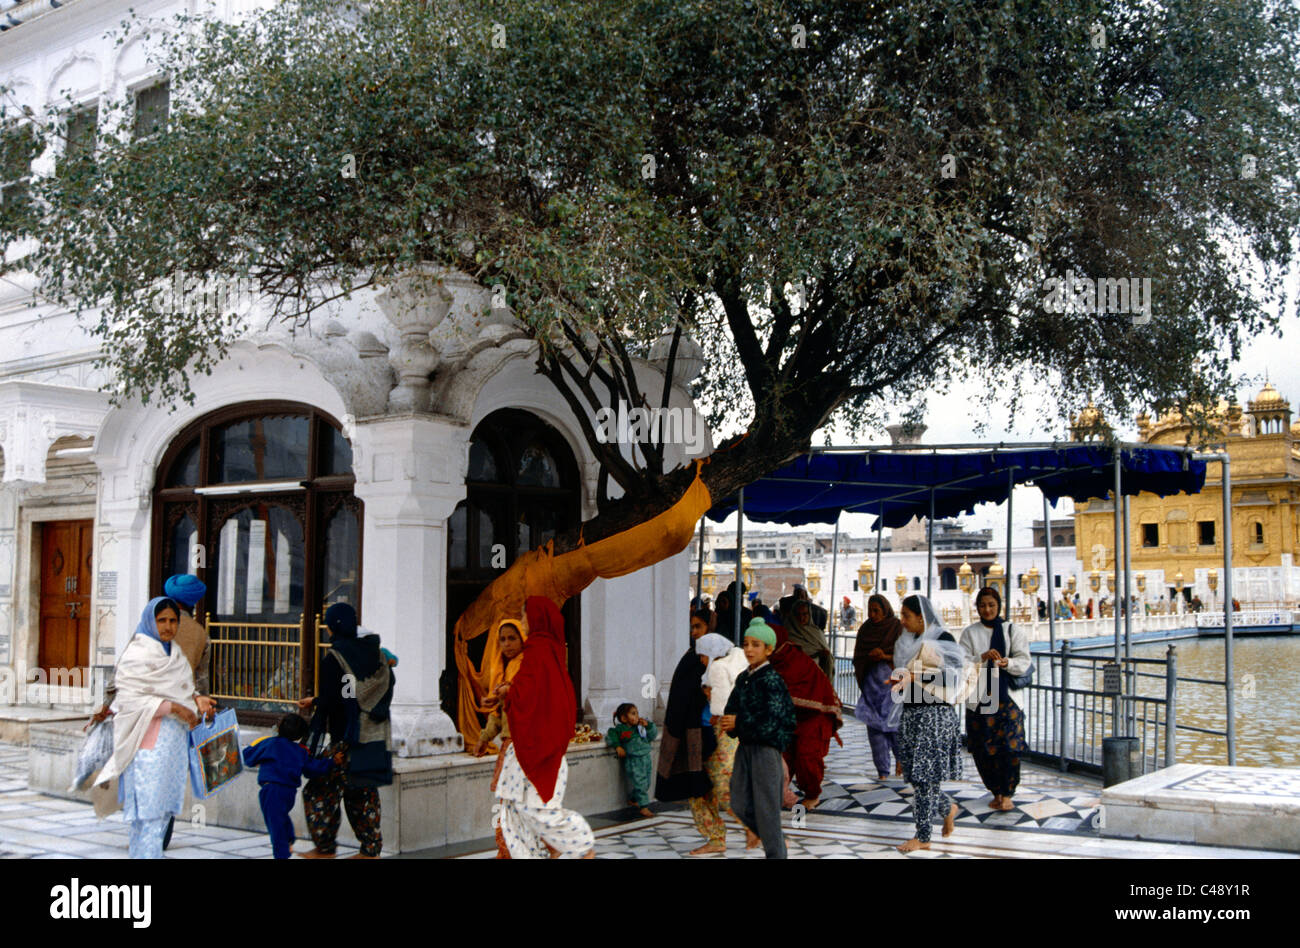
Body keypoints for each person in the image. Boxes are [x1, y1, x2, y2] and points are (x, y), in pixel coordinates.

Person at [91, 574, 216, 850]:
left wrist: (106, 704)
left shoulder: (148, 629)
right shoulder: (200, 634)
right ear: (194, 602)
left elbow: (122, 671)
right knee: (168, 777)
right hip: (177, 716)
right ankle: (158, 836)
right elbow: (202, 681)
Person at [496, 596, 595, 858]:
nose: (523, 621)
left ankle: (581, 845)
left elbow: (527, 697)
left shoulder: (538, 650)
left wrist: (509, 692)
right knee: (517, 808)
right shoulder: (550, 649)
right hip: (536, 742)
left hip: (534, 745)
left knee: (532, 808)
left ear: (538, 618)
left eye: (525, 615)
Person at [298, 602, 394, 859]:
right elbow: (353, 694)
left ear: (331, 626)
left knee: (319, 790)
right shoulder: (375, 654)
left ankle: (325, 847)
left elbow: (338, 698)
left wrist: (317, 704)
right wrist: (320, 700)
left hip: (346, 737)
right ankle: (370, 850)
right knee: (361, 790)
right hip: (372, 736)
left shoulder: (335, 658)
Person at [889, 594, 973, 854]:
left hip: (934, 716)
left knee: (926, 777)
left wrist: (917, 675)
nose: (902, 621)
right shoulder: (907, 642)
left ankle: (923, 835)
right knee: (915, 775)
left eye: (906, 616)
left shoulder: (943, 639)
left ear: (920, 616)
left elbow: (955, 677)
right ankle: (948, 808)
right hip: (912, 713)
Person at [722, 618, 796, 859]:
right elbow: (731, 708)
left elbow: (774, 721)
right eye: (746, 644)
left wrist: (739, 723)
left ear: (768, 649)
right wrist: (729, 723)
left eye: (756, 644)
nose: (749, 649)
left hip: (766, 751)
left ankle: (776, 852)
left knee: (767, 812)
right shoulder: (744, 678)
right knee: (739, 803)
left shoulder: (772, 681)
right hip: (745, 749)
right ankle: (771, 836)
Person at [959, 586, 1030, 812]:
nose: (987, 609)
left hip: (1007, 699)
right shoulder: (970, 633)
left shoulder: (1012, 631)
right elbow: (960, 664)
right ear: (977, 608)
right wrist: (982, 658)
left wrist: (1006, 662)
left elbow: (1024, 661)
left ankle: (1008, 792)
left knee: (1010, 747)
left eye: (991, 605)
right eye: (982, 605)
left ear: (999, 605)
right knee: (983, 748)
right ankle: (995, 791)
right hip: (979, 698)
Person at [242, 713, 338, 858]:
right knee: (280, 817)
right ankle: (289, 839)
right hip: (289, 792)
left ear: (279, 728)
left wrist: (251, 746)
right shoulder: (300, 751)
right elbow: (313, 768)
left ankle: (282, 852)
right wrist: (332, 762)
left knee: (275, 825)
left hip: (271, 790)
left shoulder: (269, 743)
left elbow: (247, 757)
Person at [688, 631, 747, 856]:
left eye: (703, 655)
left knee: (724, 788)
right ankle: (715, 837)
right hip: (702, 736)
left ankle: (761, 830)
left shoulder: (727, 673)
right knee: (698, 791)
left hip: (724, 735)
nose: (701, 660)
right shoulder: (706, 674)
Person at [655, 609, 716, 803]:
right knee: (700, 799)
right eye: (692, 627)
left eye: (699, 627)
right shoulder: (694, 654)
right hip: (691, 723)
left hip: (710, 727)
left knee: (715, 790)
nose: (694, 632)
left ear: (711, 626)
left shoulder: (714, 656)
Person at [852, 594, 904, 779]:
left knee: (896, 726)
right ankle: (882, 771)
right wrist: (869, 658)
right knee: (875, 731)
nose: (873, 615)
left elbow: (905, 656)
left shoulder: (896, 627)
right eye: (870, 611)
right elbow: (858, 656)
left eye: (877, 610)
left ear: (885, 610)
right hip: (872, 687)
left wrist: (884, 656)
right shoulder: (866, 629)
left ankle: (901, 761)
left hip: (893, 686)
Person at [472, 617, 527, 757]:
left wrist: (509, 690)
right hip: (511, 742)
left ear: (522, 638)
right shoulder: (506, 670)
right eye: (502, 640)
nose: (507, 644)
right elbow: (499, 713)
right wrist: (484, 739)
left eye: (512, 638)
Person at [605, 703, 657, 817]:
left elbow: (653, 736)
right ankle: (644, 806)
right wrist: (617, 746)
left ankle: (633, 799)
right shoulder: (620, 729)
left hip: (646, 757)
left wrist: (648, 726)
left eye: (637, 713)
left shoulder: (640, 727)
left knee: (646, 783)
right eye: (633, 714)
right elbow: (610, 736)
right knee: (641, 783)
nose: (637, 716)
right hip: (634, 760)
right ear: (624, 718)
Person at [785, 598, 834, 680]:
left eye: (804, 614)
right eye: (798, 614)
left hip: (817, 676)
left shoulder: (817, 632)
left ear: (809, 614)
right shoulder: (788, 633)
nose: (801, 617)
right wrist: (816, 654)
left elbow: (827, 654)